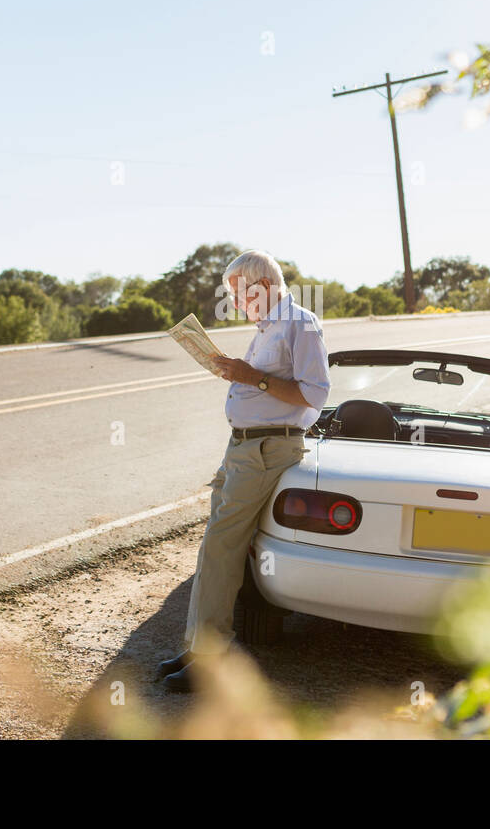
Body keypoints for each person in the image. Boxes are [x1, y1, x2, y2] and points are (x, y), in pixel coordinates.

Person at [157, 249, 330, 692]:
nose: (234, 300)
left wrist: (251, 377)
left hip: (268, 450)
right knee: (214, 548)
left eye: (239, 291)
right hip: (244, 448)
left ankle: (210, 661)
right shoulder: (269, 327)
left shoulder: (300, 324)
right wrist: (239, 373)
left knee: (222, 548)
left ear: (264, 286)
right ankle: (198, 647)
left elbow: (315, 394)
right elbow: (264, 381)